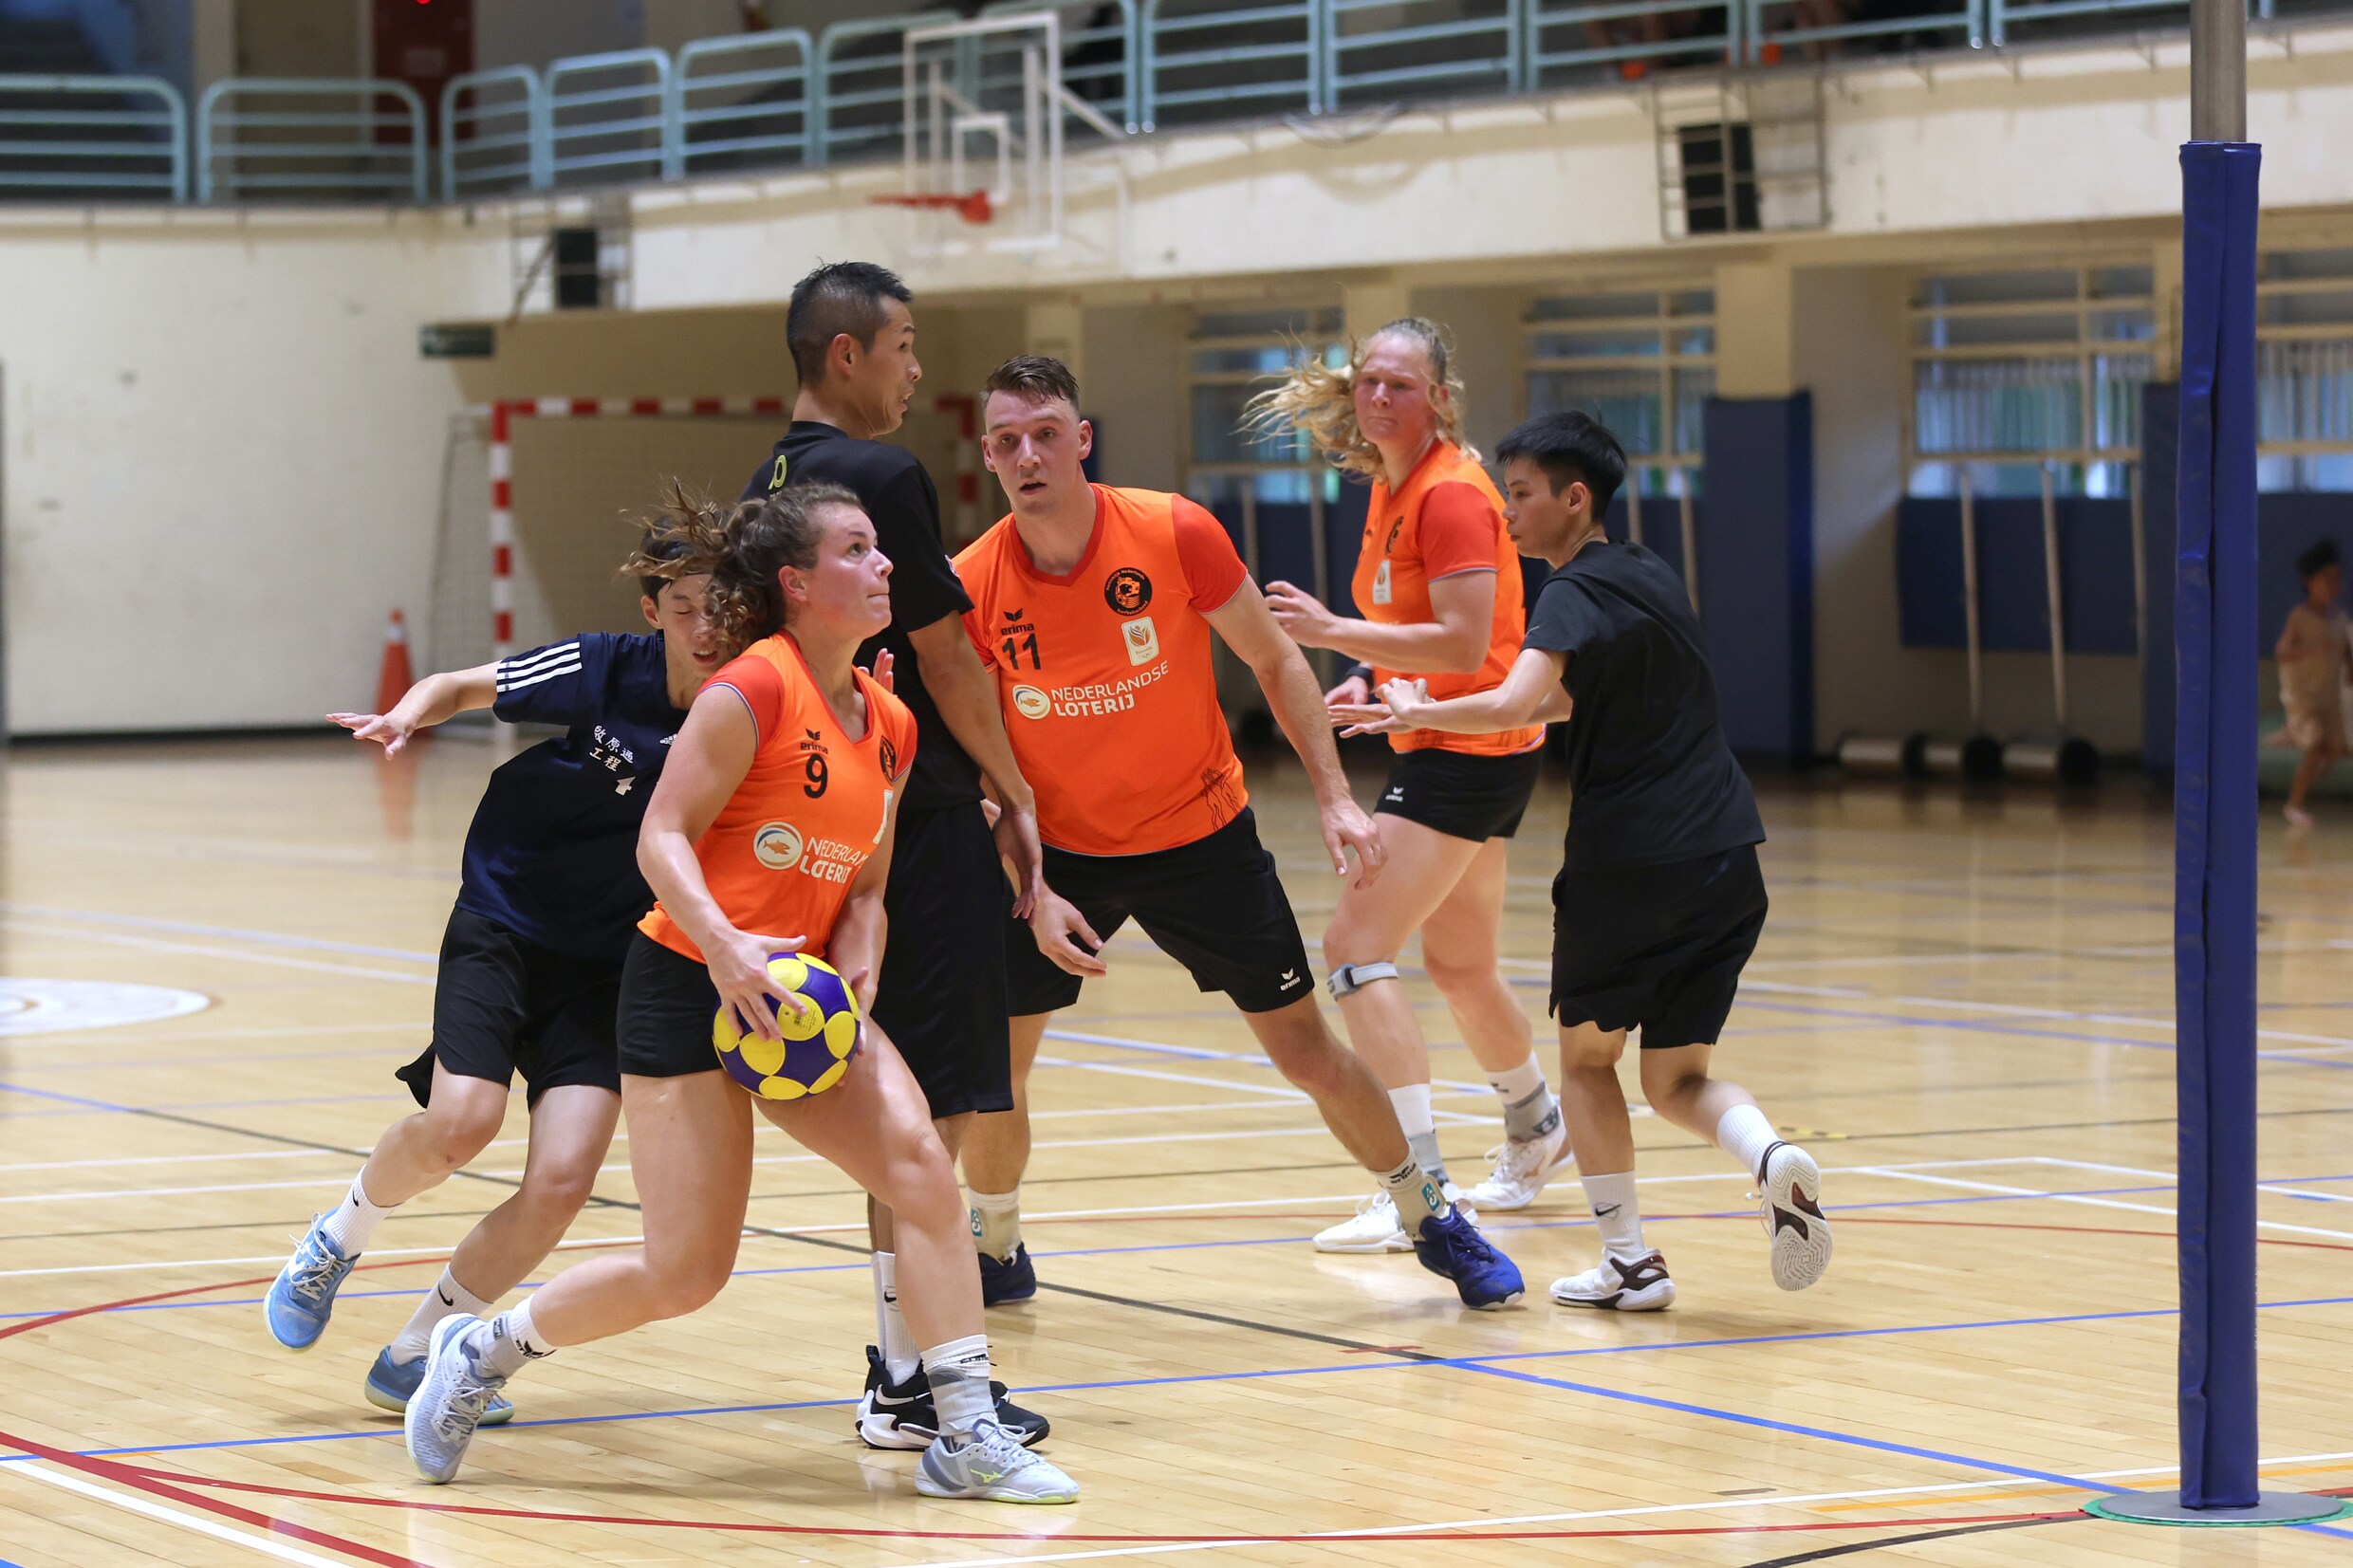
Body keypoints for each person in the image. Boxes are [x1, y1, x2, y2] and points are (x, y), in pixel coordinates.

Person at [401, 482, 1078, 1503]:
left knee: (924, 1177)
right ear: (798, 583)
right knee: (685, 1272)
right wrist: (725, 950)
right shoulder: (750, 689)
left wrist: (861, 959)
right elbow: (660, 838)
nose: (885, 563)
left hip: (799, 1001)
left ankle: (966, 1431)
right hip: (687, 982)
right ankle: (484, 1349)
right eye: (858, 549)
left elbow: (866, 886)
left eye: (879, 547)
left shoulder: (891, 721)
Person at [950, 354, 1526, 1310]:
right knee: (993, 1071)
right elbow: (981, 749)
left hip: (1200, 839)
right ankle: (997, 1245)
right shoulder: (972, 583)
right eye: (1007, 441)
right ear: (988, 455)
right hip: (1064, 857)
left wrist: (1335, 797)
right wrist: (1031, 879)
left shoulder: (1172, 531)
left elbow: (1275, 658)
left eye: (1045, 434)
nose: (1028, 456)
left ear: (1081, 439)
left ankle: (1431, 1217)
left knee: (1306, 1052)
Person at [1334, 410, 1830, 1311]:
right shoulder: (1652, 573)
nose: (1507, 511)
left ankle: (1632, 1263)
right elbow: (1571, 699)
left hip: (1630, 861)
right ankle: (1769, 1154)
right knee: (1675, 1079)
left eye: (1521, 493)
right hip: (1728, 856)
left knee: (1590, 1066)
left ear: (1574, 498)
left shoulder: (1567, 593)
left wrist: (1420, 713)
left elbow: (1513, 703)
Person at [261, 527, 718, 1424]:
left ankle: (416, 1353)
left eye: (720, 610)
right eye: (684, 608)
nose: (705, 627)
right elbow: (463, 685)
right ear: (652, 612)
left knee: (563, 1179)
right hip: (506, 917)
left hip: (612, 960)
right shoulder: (605, 666)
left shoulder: (750, 702)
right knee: (460, 1122)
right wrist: (407, 714)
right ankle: (335, 1238)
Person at [741, 261, 1053, 1427]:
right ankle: (908, 1377)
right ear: (846, 354)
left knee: (909, 1104)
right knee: (940, 1102)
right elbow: (948, 655)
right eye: (905, 345)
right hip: (914, 815)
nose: (916, 369)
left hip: (835, 818)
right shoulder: (876, 476)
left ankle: (904, 1371)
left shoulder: (766, 481)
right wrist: (1013, 792)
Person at [1248, 318, 1568, 1255]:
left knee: (1354, 949)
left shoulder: (1451, 494)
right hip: (1464, 738)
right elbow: (1423, 627)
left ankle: (1418, 1189)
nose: (1380, 397)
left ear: (1438, 396)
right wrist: (1371, 675)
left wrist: (1330, 633)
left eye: (1401, 384)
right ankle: (1535, 1124)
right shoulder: (1395, 484)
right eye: (1369, 382)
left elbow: (1467, 645)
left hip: (1467, 749)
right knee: (1461, 965)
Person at [2275, 538, 2347, 829]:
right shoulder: (2300, 617)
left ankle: (2295, 740)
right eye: (2326, 578)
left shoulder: (2339, 618)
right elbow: (2282, 652)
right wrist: (2312, 650)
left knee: (2339, 747)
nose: (2333, 585)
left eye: (2337, 578)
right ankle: (2294, 805)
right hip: (2303, 699)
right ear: (2309, 581)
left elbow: (2347, 654)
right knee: (2315, 744)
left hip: (2328, 700)